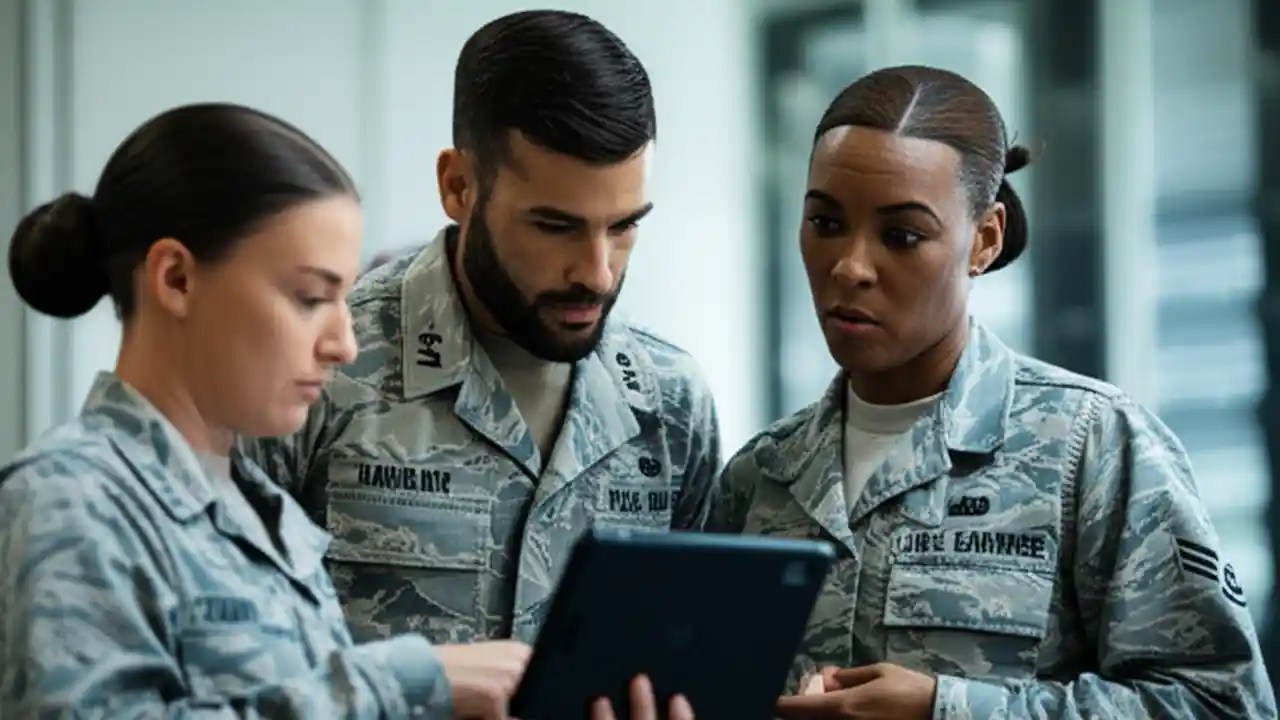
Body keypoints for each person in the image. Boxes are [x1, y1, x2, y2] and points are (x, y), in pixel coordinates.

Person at [0, 102, 686, 720]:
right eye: (308, 298)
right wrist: (401, 682)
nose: (344, 343)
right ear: (177, 279)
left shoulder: (255, 516)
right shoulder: (72, 498)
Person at [709, 66, 1277, 719]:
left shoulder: (1091, 446)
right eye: (825, 222)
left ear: (984, 239)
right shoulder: (760, 477)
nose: (850, 267)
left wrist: (947, 711)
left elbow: (1224, 705)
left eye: (902, 236)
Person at [239, 8, 721, 654]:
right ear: (459, 186)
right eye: (555, 226)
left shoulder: (671, 405)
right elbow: (219, 665)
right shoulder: (317, 369)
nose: (598, 273)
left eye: (624, 226)